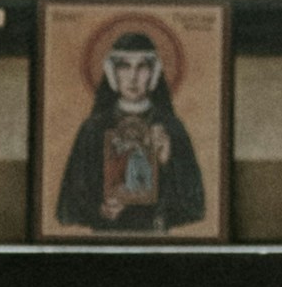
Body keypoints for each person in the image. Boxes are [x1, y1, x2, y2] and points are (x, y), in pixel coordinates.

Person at [52, 19, 208, 235]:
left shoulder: (171, 128)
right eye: (124, 66)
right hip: (106, 238)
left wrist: (167, 163)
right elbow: (71, 203)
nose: (133, 77)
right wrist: (100, 209)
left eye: (142, 66)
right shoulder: (93, 129)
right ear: (112, 72)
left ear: (153, 73)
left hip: (155, 237)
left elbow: (193, 205)